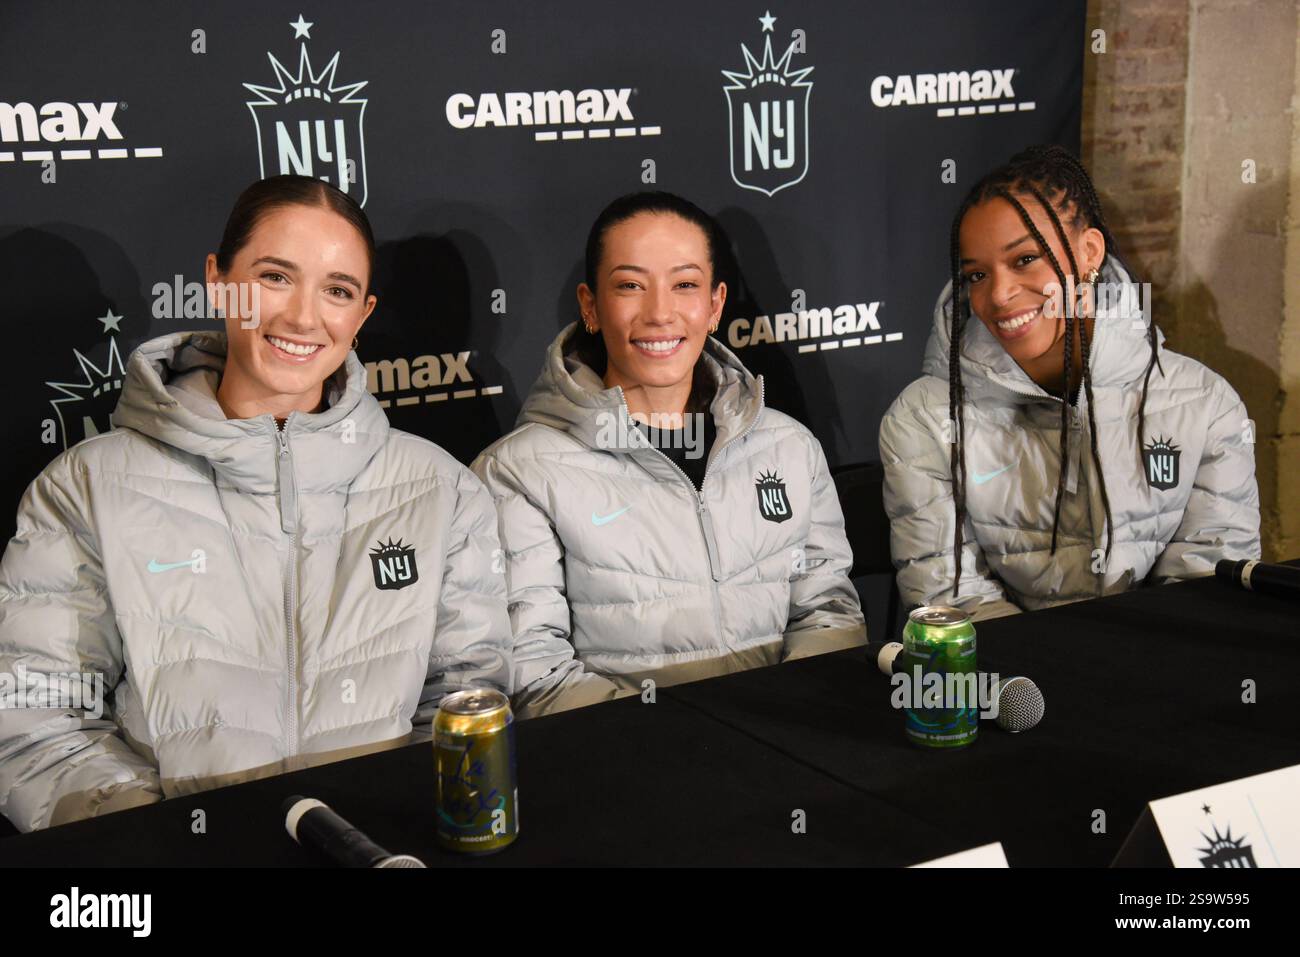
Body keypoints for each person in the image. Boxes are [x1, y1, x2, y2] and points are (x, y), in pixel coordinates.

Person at [0, 175, 511, 832]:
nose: (302, 316)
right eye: (275, 276)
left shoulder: (441, 489)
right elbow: (35, 724)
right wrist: (170, 840)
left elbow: (466, 702)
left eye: (337, 290)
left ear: (361, 315)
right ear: (218, 279)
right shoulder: (86, 487)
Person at [473, 191, 865, 718]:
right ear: (591, 306)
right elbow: (536, 674)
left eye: (684, 285)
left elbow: (829, 614)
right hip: (634, 771)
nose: (659, 313)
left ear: (715, 304)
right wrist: (689, 748)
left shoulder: (790, 447)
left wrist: (785, 729)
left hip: (792, 747)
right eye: (631, 285)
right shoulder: (517, 472)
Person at [880, 145, 1260, 620]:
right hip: (1015, 686)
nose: (998, 295)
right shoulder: (923, 419)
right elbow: (955, 606)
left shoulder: (1206, 403)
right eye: (976, 274)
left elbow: (1210, 598)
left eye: (1024, 260)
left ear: (1089, 253)